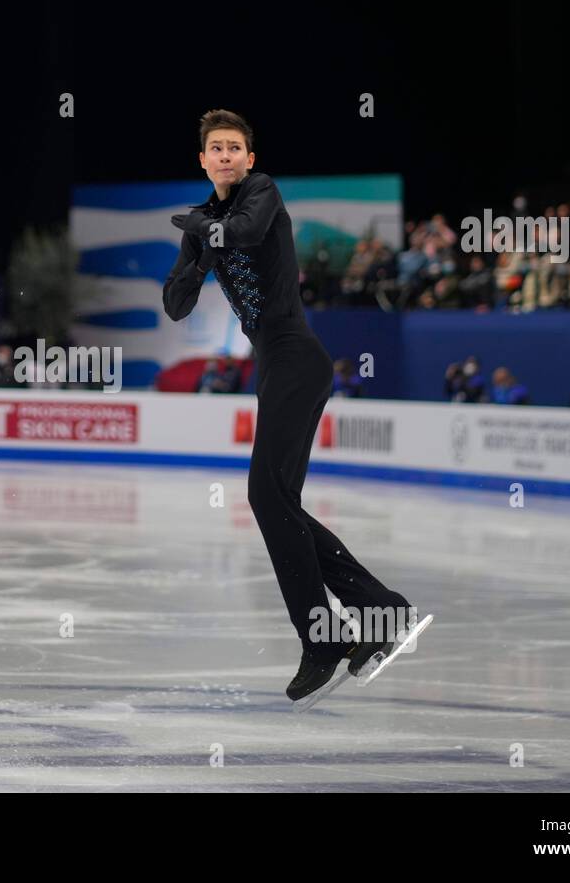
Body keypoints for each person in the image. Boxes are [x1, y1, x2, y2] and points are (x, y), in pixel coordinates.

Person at [163, 109, 415, 703]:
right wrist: (197, 253)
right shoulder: (199, 223)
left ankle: (326, 637)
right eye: (215, 149)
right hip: (273, 365)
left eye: (235, 148)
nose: (225, 156)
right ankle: (379, 611)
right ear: (202, 160)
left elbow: (246, 232)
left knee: (265, 496)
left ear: (249, 158)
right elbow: (175, 305)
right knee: (279, 503)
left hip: (298, 357)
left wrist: (208, 232)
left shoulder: (262, 193)